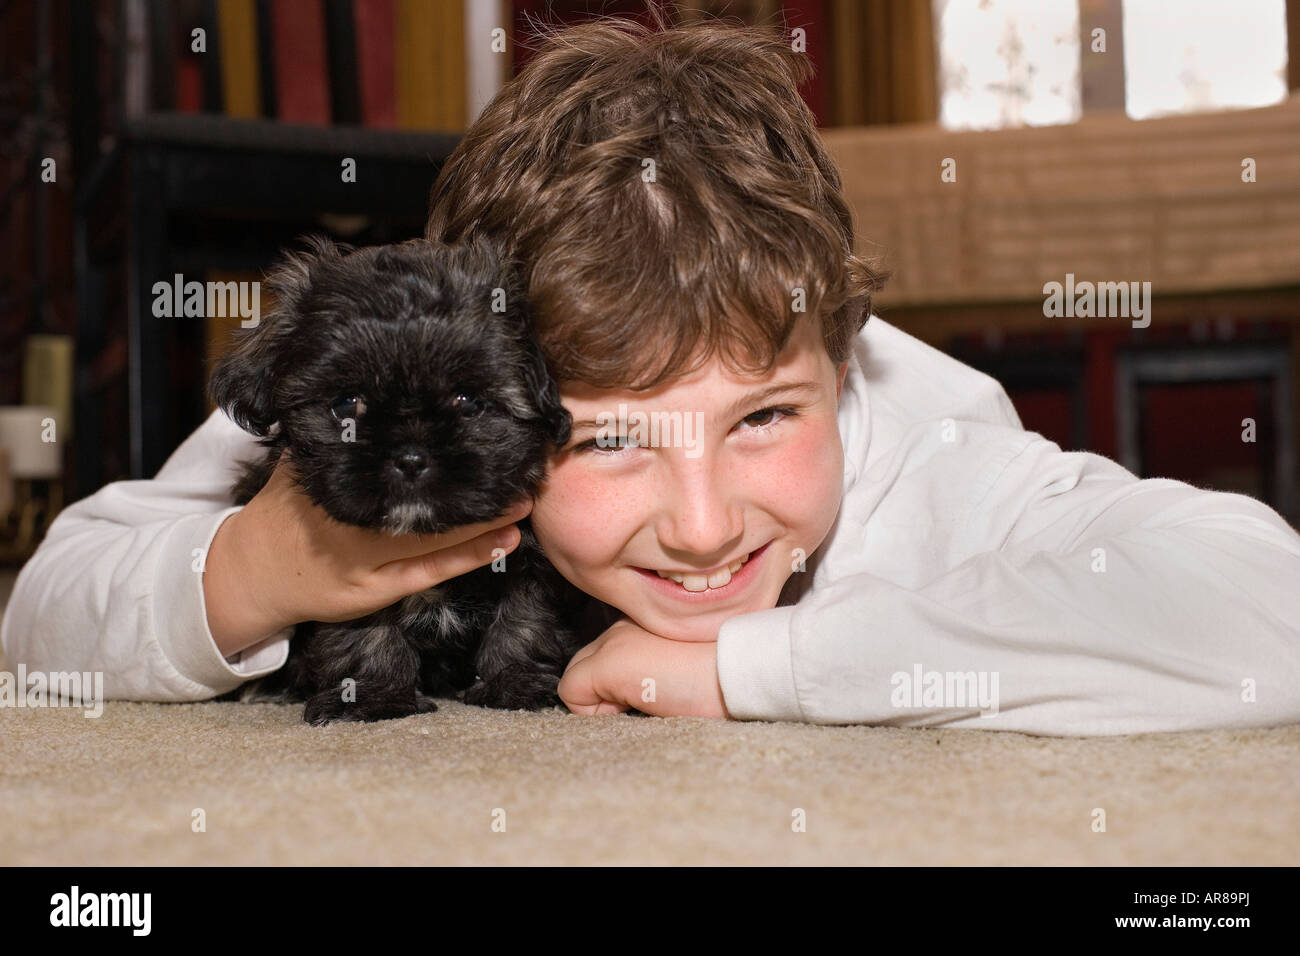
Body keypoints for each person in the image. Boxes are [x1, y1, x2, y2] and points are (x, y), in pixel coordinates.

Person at [4, 16, 1299, 735]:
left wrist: (755, 669)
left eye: (767, 417)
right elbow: (39, 621)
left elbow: (1268, 603)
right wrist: (258, 571)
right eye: (610, 438)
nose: (703, 525)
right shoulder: (415, 404)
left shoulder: (922, 427)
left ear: (841, 371)